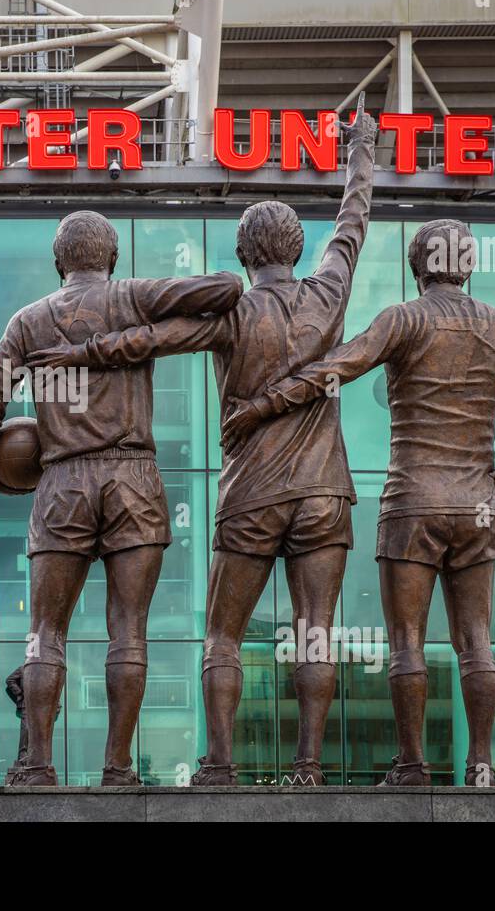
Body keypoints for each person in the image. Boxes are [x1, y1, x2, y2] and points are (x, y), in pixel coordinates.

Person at [23, 107, 378, 785]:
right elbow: (353, 220)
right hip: (326, 491)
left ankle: (218, 765)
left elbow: (152, 341)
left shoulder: (233, 312)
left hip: (250, 493)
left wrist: (82, 349)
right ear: (298, 249)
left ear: (244, 256)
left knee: (224, 636)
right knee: (315, 629)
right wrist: (362, 146)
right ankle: (308, 764)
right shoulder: (330, 291)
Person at [221, 218, 495, 785]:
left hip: (411, 502)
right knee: (475, 640)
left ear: (417, 269)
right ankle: (482, 765)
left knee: (406, 641)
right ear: (468, 264)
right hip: (477, 503)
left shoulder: (403, 320)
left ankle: (412, 763)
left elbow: (337, 366)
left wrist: (263, 405)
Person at [0, 210, 243, 786]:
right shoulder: (134, 296)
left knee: (45, 631)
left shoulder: (27, 322)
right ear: (111, 259)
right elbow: (226, 287)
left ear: (58, 262)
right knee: (129, 630)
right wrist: (126, 335)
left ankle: (38, 766)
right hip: (133, 479)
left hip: (61, 481)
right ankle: (118, 769)